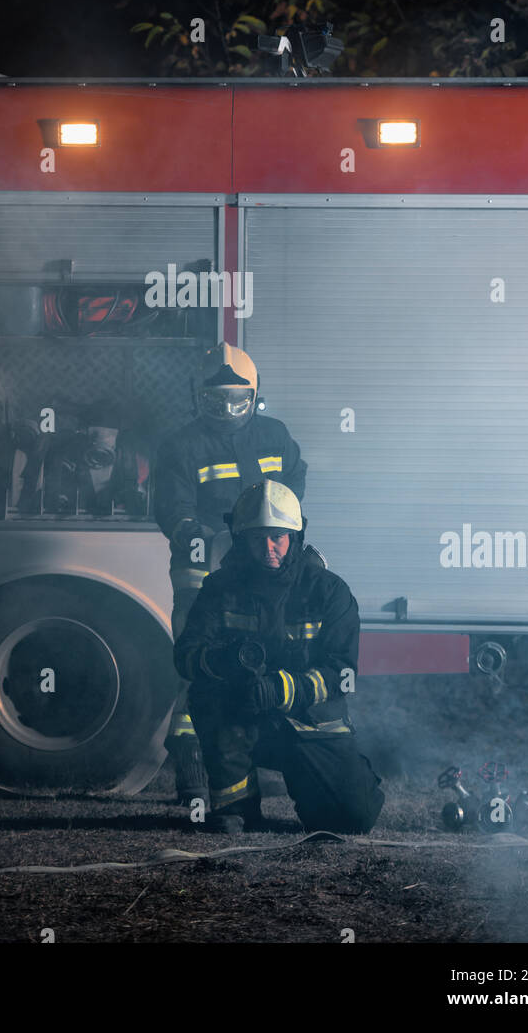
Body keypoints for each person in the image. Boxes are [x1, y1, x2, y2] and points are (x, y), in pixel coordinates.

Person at [174, 479, 384, 835]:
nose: (268, 548)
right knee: (207, 695)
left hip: (308, 721)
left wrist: (284, 688)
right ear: (242, 540)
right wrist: (222, 663)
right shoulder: (220, 589)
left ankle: (319, 785)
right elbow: (186, 656)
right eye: (258, 539)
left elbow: (342, 674)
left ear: (295, 537)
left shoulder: (329, 592)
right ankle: (236, 807)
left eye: (278, 537)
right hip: (241, 713)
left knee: (351, 820)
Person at [154, 343, 307, 804]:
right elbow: (172, 508)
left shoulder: (276, 436)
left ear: (254, 395)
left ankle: (255, 763)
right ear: (199, 399)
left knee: (265, 660)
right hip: (201, 572)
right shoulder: (182, 445)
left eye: (237, 400)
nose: (226, 409)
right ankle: (192, 760)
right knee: (199, 663)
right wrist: (198, 537)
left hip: (257, 569)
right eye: (216, 400)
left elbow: (294, 488)